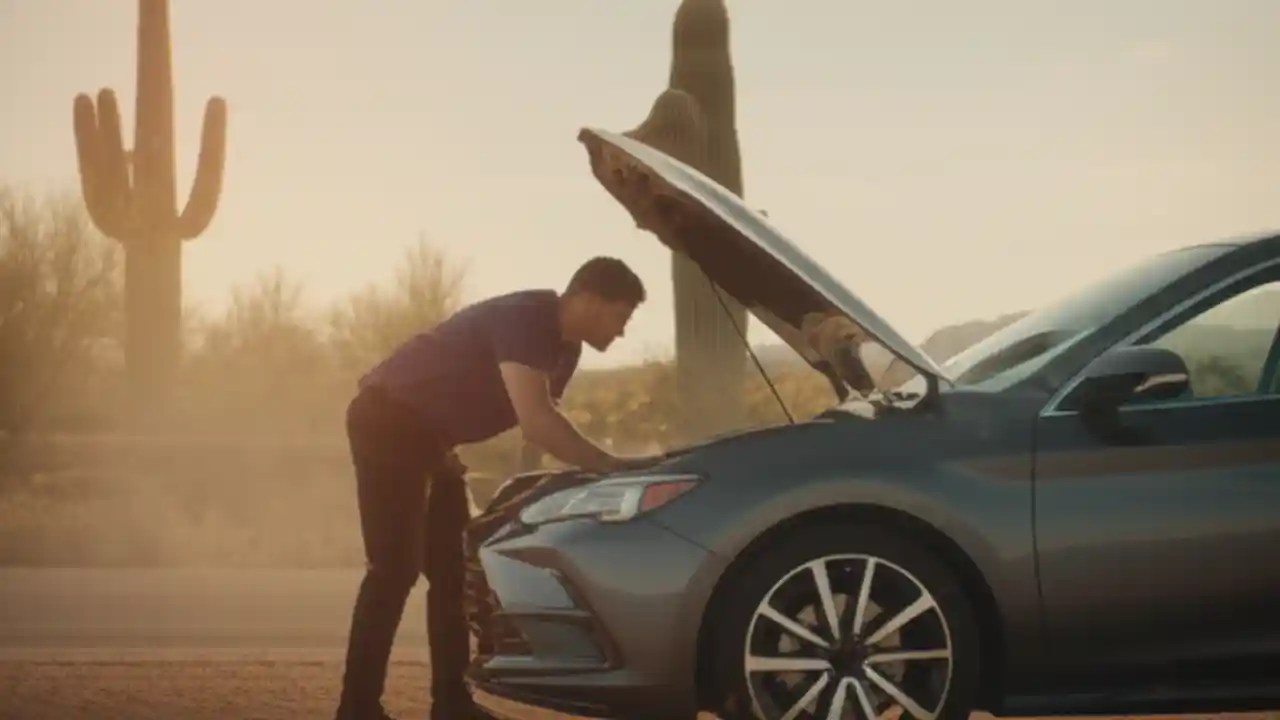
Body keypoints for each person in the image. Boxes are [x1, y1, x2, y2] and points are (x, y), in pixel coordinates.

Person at [334, 256, 655, 720]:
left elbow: (536, 431)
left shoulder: (566, 350)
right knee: (394, 570)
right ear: (588, 300)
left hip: (431, 439)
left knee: (452, 573)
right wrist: (612, 466)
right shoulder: (528, 319)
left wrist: (531, 498)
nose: (622, 331)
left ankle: (451, 705)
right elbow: (540, 422)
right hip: (387, 420)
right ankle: (356, 709)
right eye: (620, 316)